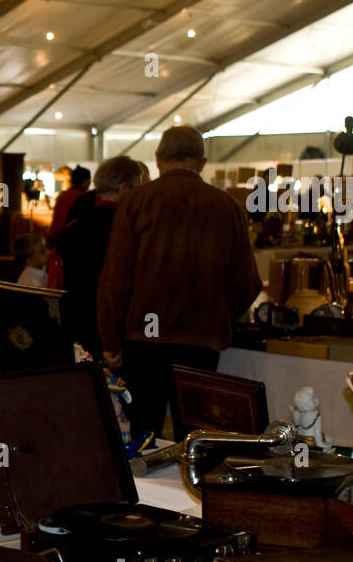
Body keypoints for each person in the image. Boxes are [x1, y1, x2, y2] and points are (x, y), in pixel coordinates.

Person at [96, 126, 261, 441]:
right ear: (202, 162)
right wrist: (218, 318)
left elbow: (115, 280)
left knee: (143, 436)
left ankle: (143, 492)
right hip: (201, 341)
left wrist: (111, 342)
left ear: (158, 159)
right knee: (197, 439)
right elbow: (248, 283)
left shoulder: (136, 201)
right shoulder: (228, 208)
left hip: (144, 340)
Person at [55, 156, 142, 358]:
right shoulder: (125, 228)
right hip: (111, 326)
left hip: (77, 319)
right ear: (124, 189)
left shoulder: (77, 224)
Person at [46, 165, 90, 288]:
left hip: (57, 241)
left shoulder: (63, 196)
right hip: (72, 244)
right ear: (86, 181)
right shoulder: (83, 198)